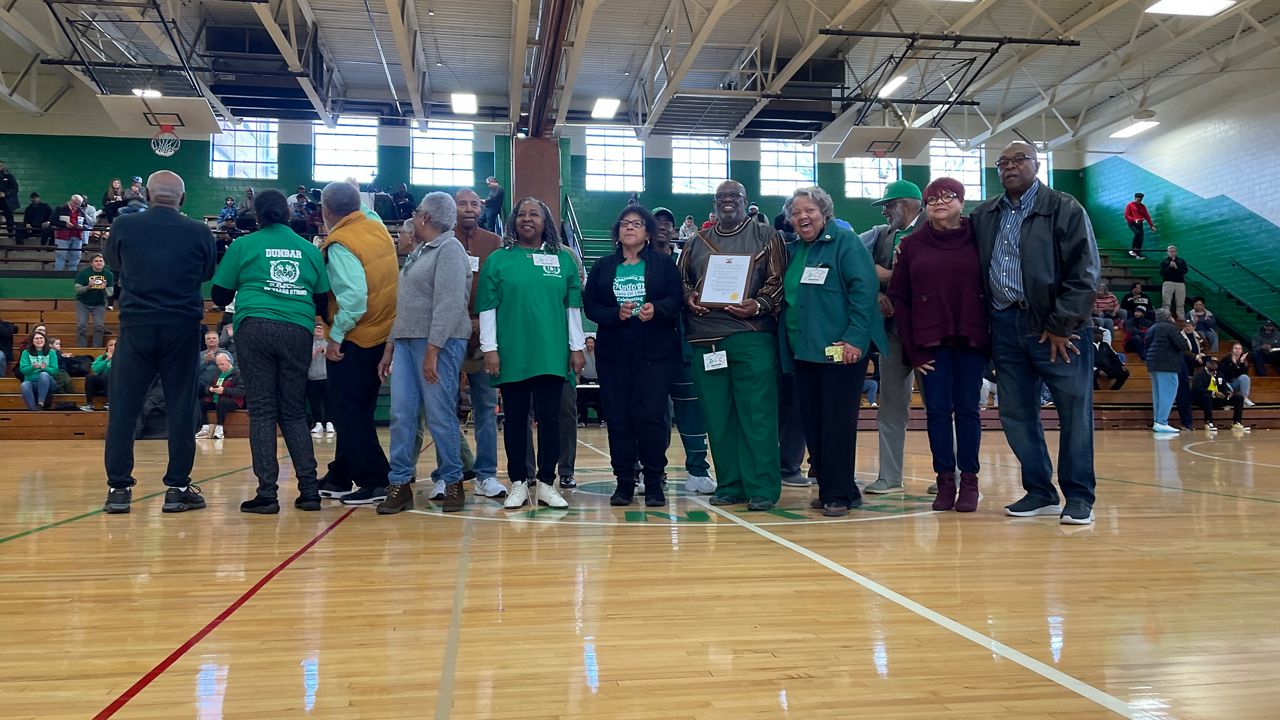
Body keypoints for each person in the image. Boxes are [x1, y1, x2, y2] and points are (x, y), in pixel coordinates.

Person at [974, 142, 1100, 525]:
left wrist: (1061, 324)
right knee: (1016, 413)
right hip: (1005, 325)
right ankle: (1040, 491)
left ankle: (1079, 497)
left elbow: (1085, 272)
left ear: (1036, 164)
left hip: (1056, 329)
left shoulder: (1063, 207)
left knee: (1073, 412)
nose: (1010, 167)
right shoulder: (985, 213)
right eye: (1002, 162)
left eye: (1018, 160)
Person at [102, 170, 216, 515]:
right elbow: (208, 272)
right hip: (181, 326)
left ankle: (118, 489)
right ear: (182, 198)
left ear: (147, 195)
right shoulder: (199, 230)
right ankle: (178, 488)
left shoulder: (124, 226)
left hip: (136, 326)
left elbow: (113, 263)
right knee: (181, 406)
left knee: (124, 406)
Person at [211, 188, 330, 513]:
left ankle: (267, 494)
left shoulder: (242, 245)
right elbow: (322, 301)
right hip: (298, 329)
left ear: (258, 215)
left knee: (263, 410)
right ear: (288, 215)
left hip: (255, 328)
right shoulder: (309, 250)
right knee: (292, 410)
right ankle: (309, 492)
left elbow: (220, 295)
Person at [678, 180, 787, 511]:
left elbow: (777, 281)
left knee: (757, 415)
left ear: (745, 201)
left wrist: (758, 305)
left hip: (750, 334)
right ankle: (730, 483)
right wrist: (689, 297)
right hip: (705, 338)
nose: (728, 201)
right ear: (714, 202)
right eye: (721, 196)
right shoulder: (696, 241)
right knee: (718, 417)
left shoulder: (768, 236)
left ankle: (763, 486)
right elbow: (681, 280)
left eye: (734, 196)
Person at [476, 197, 586, 510]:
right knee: (514, 420)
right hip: (512, 352)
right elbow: (487, 307)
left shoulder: (563, 259)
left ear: (545, 222)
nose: (527, 219)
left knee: (551, 420)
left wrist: (576, 348)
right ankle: (519, 483)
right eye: (522, 214)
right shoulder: (498, 260)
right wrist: (490, 349)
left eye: (534, 214)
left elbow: (573, 307)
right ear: (513, 221)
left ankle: (548, 483)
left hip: (552, 352)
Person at [782, 186, 883, 517]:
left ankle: (838, 494)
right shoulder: (796, 250)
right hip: (805, 350)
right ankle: (835, 487)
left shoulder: (845, 242)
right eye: (796, 213)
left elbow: (864, 290)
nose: (802, 217)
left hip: (841, 349)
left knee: (837, 422)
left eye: (809, 210)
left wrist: (855, 338)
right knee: (814, 423)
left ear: (824, 212)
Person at [888, 177, 987, 513]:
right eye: (932, 198)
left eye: (948, 196)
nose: (939, 202)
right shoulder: (912, 244)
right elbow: (899, 298)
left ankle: (969, 480)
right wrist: (913, 349)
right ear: (925, 207)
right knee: (938, 412)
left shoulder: (981, 237)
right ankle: (945, 480)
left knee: (969, 410)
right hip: (930, 343)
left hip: (973, 338)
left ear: (962, 201)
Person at [374, 192, 472, 514]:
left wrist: (433, 349)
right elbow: (406, 309)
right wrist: (390, 346)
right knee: (401, 414)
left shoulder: (450, 249)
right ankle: (400, 484)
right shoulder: (420, 253)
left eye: (417, 212)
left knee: (440, 414)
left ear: (426, 217)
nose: (414, 217)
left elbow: (450, 302)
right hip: (406, 342)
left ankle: (454, 480)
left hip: (436, 343)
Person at [583, 205, 682, 506]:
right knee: (618, 419)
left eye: (637, 224)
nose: (630, 228)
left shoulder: (664, 265)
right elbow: (592, 306)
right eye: (625, 223)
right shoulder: (603, 266)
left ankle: (654, 482)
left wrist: (658, 309)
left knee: (650, 417)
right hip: (614, 353)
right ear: (617, 231)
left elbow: (676, 300)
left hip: (655, 354)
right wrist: (616, 313)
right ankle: (624, 481)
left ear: (648, 233)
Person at [316, 181, 400, 505]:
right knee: (357, 409)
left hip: (356, 337)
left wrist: (335, 338)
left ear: (325, 211)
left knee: (347, 410)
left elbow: (352, 300)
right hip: (382, 332)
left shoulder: (341, 244)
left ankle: (377, 479)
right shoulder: (375, 225)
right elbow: (363, 208)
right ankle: (340, 474)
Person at [858, 179, 924, 495]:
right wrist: (875, 293)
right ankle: (890, 475)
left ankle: (948, 477)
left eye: (889, 205)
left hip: (928, 333)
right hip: (892, 331)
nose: (884, 211)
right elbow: (859, 267)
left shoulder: (933, 228)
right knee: (890, 406)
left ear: (908, 204)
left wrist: (889, 276)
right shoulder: (882, 235)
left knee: (939, 405)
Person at [1146, 308, 1185, 434]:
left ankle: (1158, 421)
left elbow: (1146, 345)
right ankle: (1162, 421)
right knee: (1168, 394)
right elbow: (1182, 345)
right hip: (1167, 364)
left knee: (1157, 394)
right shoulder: (1170, 327)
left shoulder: (1152, 328)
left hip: (1153, 363)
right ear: (1169, 317)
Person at [195, 351, 244, 439]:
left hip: (233, 400)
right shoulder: (218, 374)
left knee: (223, 402)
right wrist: (210, 389)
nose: (220, 367)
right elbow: (211, 385)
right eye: (218, 365)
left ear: (228, 361)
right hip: (215, 398)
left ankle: (220, 427)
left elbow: (241, 390)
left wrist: (224, 390)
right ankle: (205, 427)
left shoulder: (237, 374)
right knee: (201, 402)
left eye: (222, 364)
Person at [1191, 357, 1247, 432]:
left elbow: (1224, 387)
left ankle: (1237, 422)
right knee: (1207, 397)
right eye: (1212, 363)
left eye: (1216, 363)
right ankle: (1208, 422)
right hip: (1203, 399)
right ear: (1207, 363)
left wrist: (1228, 392)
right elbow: (1197, 389)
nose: (1214, 365)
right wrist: (1213, 393)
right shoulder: (1200, 374)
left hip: (1217, 399)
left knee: (1239, 397)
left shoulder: (1219, 374)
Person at [74, 254, 114, 347]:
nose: (99, 263)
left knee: (99, 326)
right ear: (91, 263)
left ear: (104, 263)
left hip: (99, 303)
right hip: (83, 302)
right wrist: (88, 287)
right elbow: (77, 290)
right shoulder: (84, 273)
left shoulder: (108, 275)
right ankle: (82, 349)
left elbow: (110, 293)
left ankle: (96, 349)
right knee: (81, 325)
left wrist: (104, 289)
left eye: (101, 261)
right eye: (96, 261)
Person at [19, 331, 56, 410]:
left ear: (45, 340)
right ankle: (34, 410)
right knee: (24, 385)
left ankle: (40, 403)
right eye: (36, 338)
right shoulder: (26, 353)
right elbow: (23, 370)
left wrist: (44, 368)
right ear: (32, 341)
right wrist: (33, 367)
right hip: (32, 381)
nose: (39, 340)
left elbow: (55, 370)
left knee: (43, 374)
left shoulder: (51, 353)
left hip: (48, 382)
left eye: (41, 338)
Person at [51, 194, 89, 271]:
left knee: (76, 257)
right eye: (76, 204)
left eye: (79, 204)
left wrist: (82, 227)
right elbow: (52, 220)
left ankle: (72, 274)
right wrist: (64, 224)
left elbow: (87, 225)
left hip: (77, 237)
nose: (78, 206)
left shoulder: (81, 211)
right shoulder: (60, 209)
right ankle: (57, 274)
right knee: (61, 256)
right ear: (71, 201)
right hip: (62, 237)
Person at [308, 324, 333, 436]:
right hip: (312, 377)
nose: (318, 330)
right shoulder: (308, 342)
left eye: (320, 328)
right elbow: (305, 357)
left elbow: (333, 355)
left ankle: (330, 422)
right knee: (315, 402)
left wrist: (324, 351)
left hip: (327, 376)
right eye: (316, 328)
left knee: (329, 401)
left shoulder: (329, 342)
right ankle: (318, 423)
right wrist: (315, 352)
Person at [81, 337, 115, 411]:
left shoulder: (122, 357)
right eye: (111, 345)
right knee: (89, 377)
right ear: (107, 347)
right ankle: (89, 404)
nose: (113, 347)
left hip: (116, 381)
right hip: (103, 381)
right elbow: (95, 369)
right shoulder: (101, 357)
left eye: (115, 345)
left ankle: (110, 403)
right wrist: (107, 360)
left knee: (108, 376)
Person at [1159, 245, 1188, 320]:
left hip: (1180, 283)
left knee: (1180, 303)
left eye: (1173, 251)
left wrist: (1176, 267)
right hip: (1168, 282)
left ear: (1176, 252)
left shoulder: (1181, 261)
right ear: (1167, 252)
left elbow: (1185, 271)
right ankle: (1165, 318)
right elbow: (1162, 273)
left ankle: (1181, 318)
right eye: (1170, 251)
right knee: (1166, 302)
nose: (1172, 253)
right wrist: (1169, 267)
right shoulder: (1164, 262)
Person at [1124, 192, 1156, 259]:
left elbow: (1147, 216)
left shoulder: (1142, 206)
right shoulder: (1130, 205)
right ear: (1135, 198)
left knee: (1141, 238)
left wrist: (1151, 225)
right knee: (1137, 233)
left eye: (1140, 200)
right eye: (1138, 200)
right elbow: (1126, 215)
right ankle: (1132, 250)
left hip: (1139, 223)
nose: (1139, 201)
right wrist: (1134, 219)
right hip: (1131, 223)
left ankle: (1138, 254)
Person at [0, 159, 18, 238]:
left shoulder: (9, 176)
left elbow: (15, 189)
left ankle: (10, 234)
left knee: (9, 218)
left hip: (7, 201)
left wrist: (5, 193)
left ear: (3, 166)